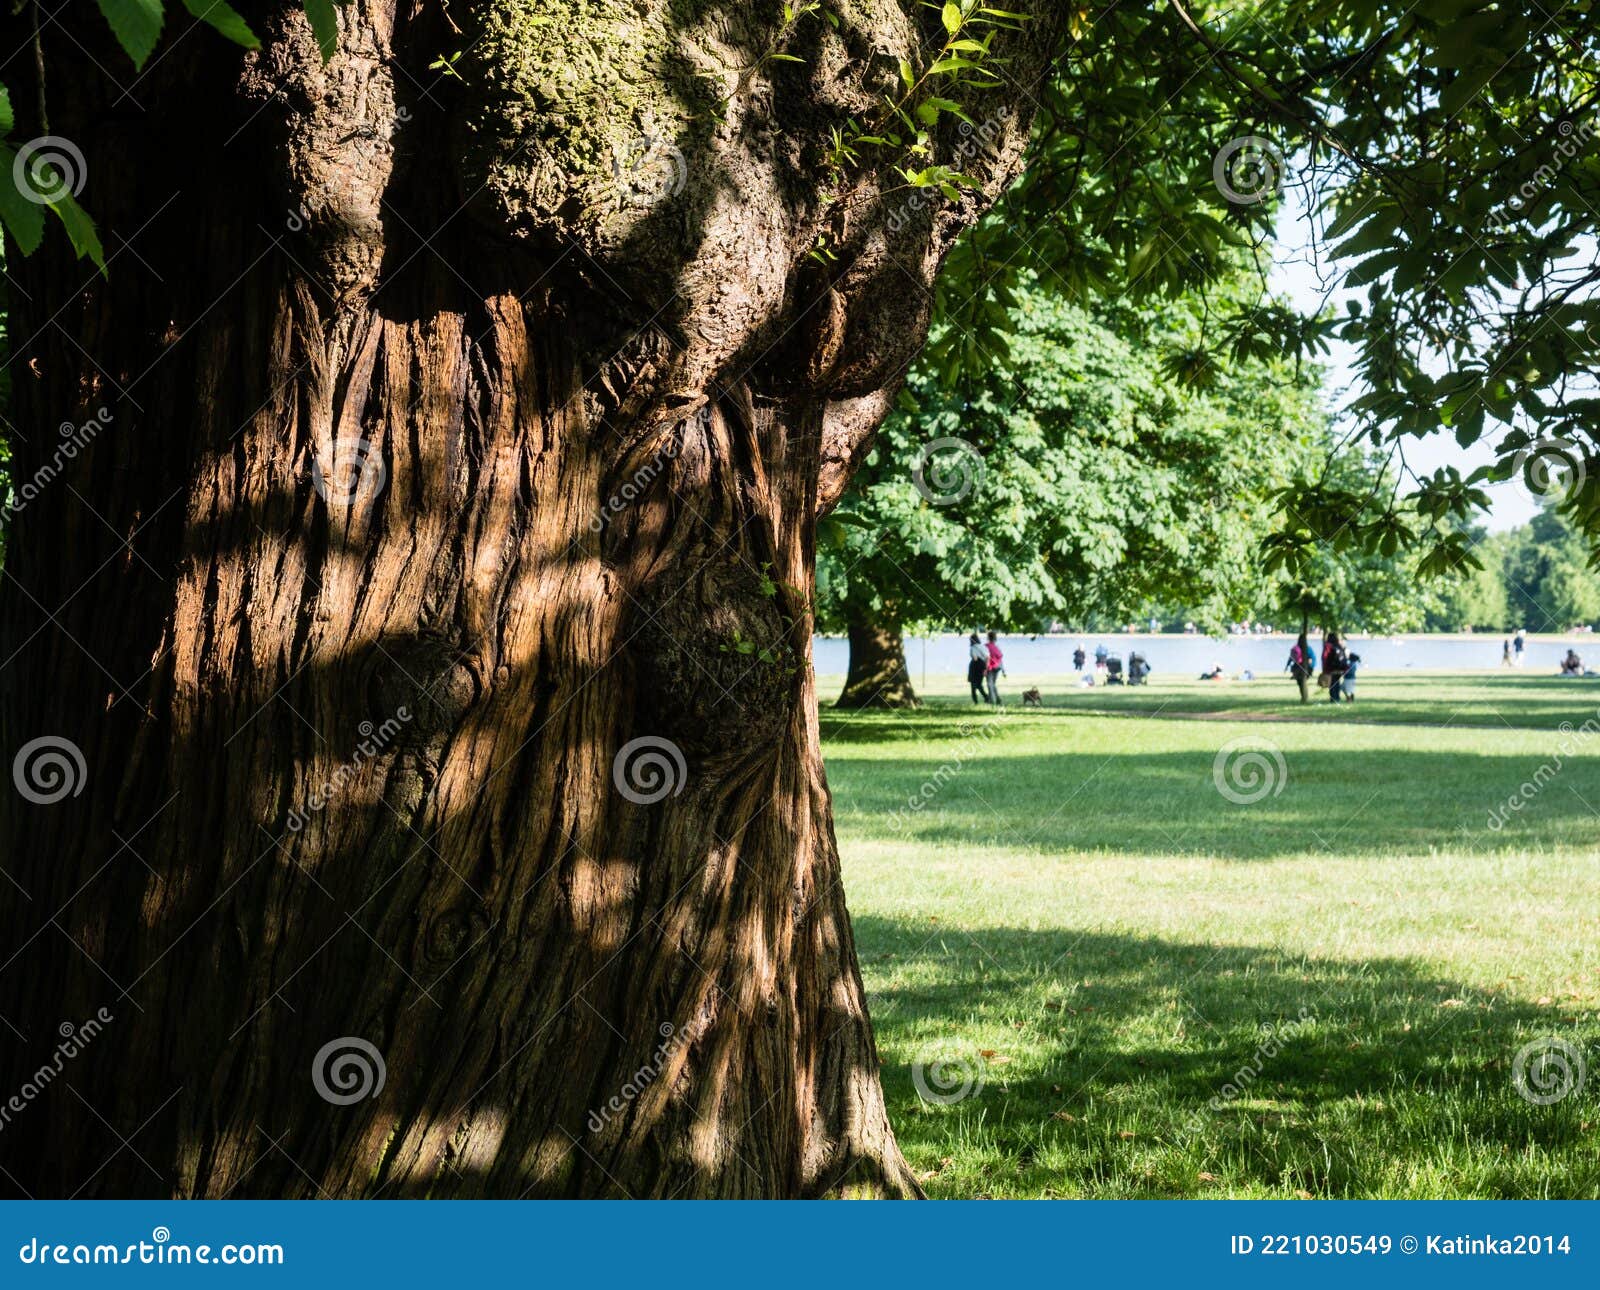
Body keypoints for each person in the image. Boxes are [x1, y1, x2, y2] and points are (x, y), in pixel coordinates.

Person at [1321, 630, 1349, 703]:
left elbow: (1325, 657)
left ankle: (1333, 699)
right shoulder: (1338, 645)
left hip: (1331, 669)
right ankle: (1337, 698)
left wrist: (1324, 669)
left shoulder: (1328, 646)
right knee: (1337, 683)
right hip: (1340, 668)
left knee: (1332, 684)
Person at [1286, 631, 1313, 703]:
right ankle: (1305, 697)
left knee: (1300, 683)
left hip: (1297, 667)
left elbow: (1291, 658)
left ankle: (1303, 696)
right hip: (1305, 667)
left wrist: (1287, 666)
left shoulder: (1296, 647)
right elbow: (1311, 659)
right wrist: (1310, 668)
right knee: (1303, 682)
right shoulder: (1307, 648)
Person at [967, 632, 988, 703]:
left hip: (974, 667)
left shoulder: (973, 648)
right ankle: (986, 697)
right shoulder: (983, 647)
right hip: (982, 666)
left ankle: (976, 701)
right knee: (979, 684)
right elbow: (987, 657)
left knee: (973, 686)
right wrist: (986, 668)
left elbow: (975, 658)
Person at [985, 631, 1005, 706]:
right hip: (997, 668)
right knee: (992, 684)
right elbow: (1000, 660)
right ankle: (997, 699)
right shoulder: (997, 647)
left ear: (988, 637)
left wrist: (985, 669)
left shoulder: (986, 646)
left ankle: (992, 701)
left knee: (990, 685)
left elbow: (985, 658)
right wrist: (1003, 670)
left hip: (990, 668)